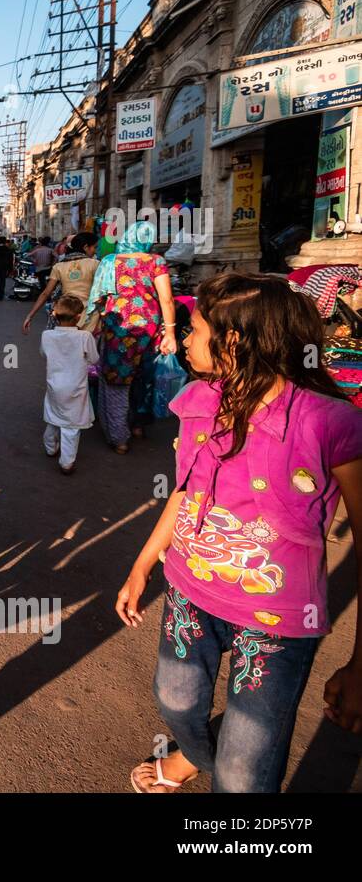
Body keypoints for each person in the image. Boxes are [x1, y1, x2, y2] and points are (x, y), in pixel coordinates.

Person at [116, 273, 362, 793]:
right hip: (189, 591)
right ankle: (195, 754)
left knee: (243, 776)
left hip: (278, 619)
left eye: (195, 328)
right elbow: (184, 494)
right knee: (175, 700)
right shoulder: (199, 401)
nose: (184, 338)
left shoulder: (330, 422)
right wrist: (142, 566)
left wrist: (361, 664)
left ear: (234, 341)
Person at [84, 221, 176, 453]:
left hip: (119, 327)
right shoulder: (156, 261)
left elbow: (98, 299)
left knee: (118, 380)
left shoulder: (110, 262)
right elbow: (166, 299)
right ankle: (137, 425)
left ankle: (119, 438)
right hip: (149, 328)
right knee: (144, 377)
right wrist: (171, 332)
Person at [40, 295, 99, 475]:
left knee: (53, 416)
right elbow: (94, 359)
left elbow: (44, 354)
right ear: (79, 316)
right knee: (71, 427)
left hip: (54, 385)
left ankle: (50, 447)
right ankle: (66, 462)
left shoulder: (47, 335)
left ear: (55, 314)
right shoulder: (85, 336)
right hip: (76, 387)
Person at [22, 232, 99, 335]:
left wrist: (30, 316)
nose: (95, 251)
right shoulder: (95, 264)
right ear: (86, 247)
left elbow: (46, 293)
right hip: (89, 315)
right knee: (87, 347)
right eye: (94, 247)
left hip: (67, 315)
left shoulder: (59, 266)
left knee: (69, 348)